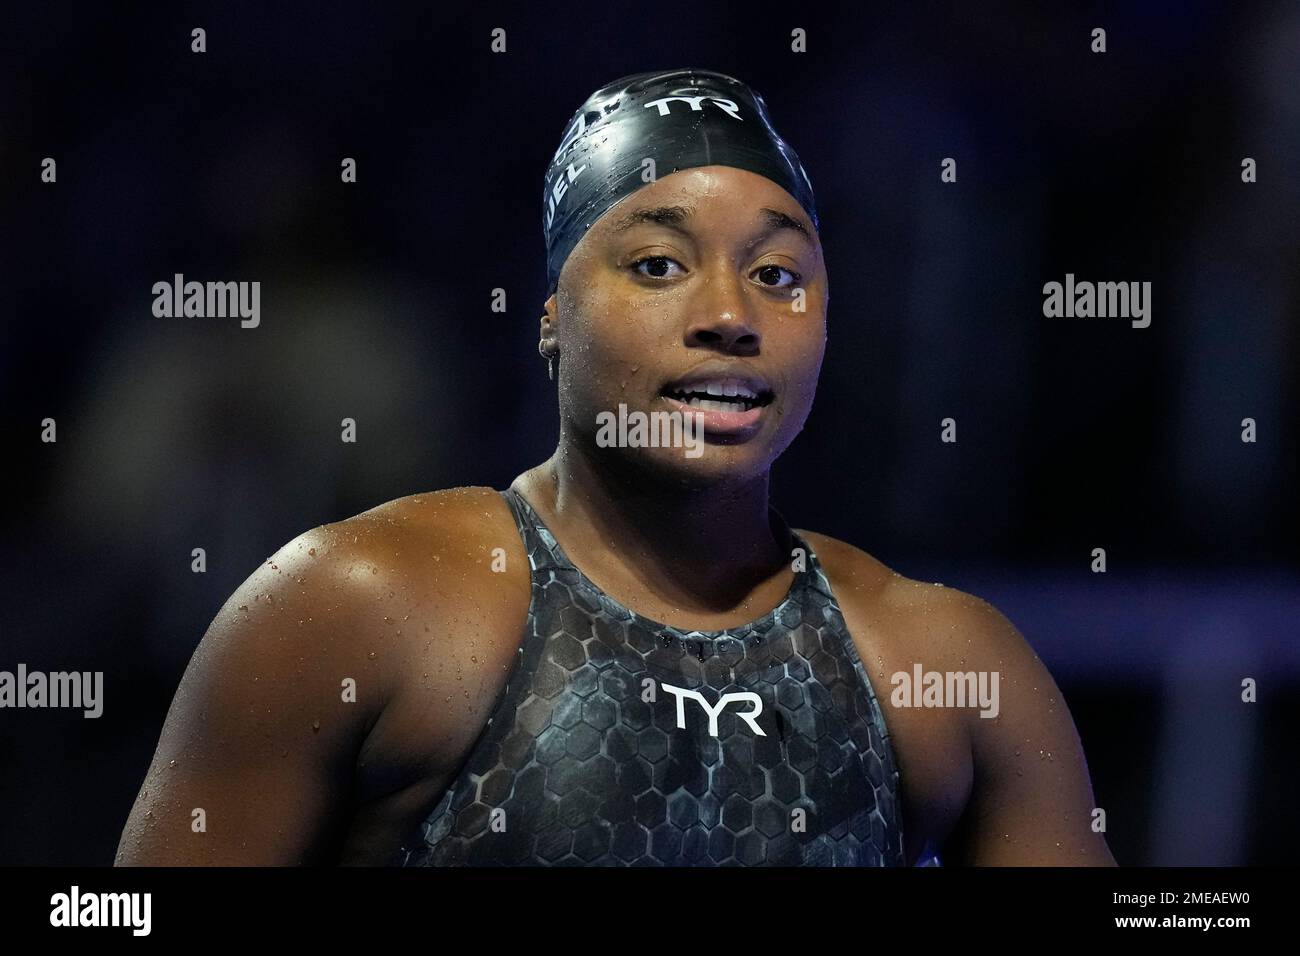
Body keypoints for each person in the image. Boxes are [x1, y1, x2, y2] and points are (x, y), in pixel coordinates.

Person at [116, 68, 1116, 866]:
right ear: (551, 316)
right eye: (657, 265)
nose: (730, 315)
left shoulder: (950, 667)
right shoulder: (358, 606)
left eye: (778, 275)